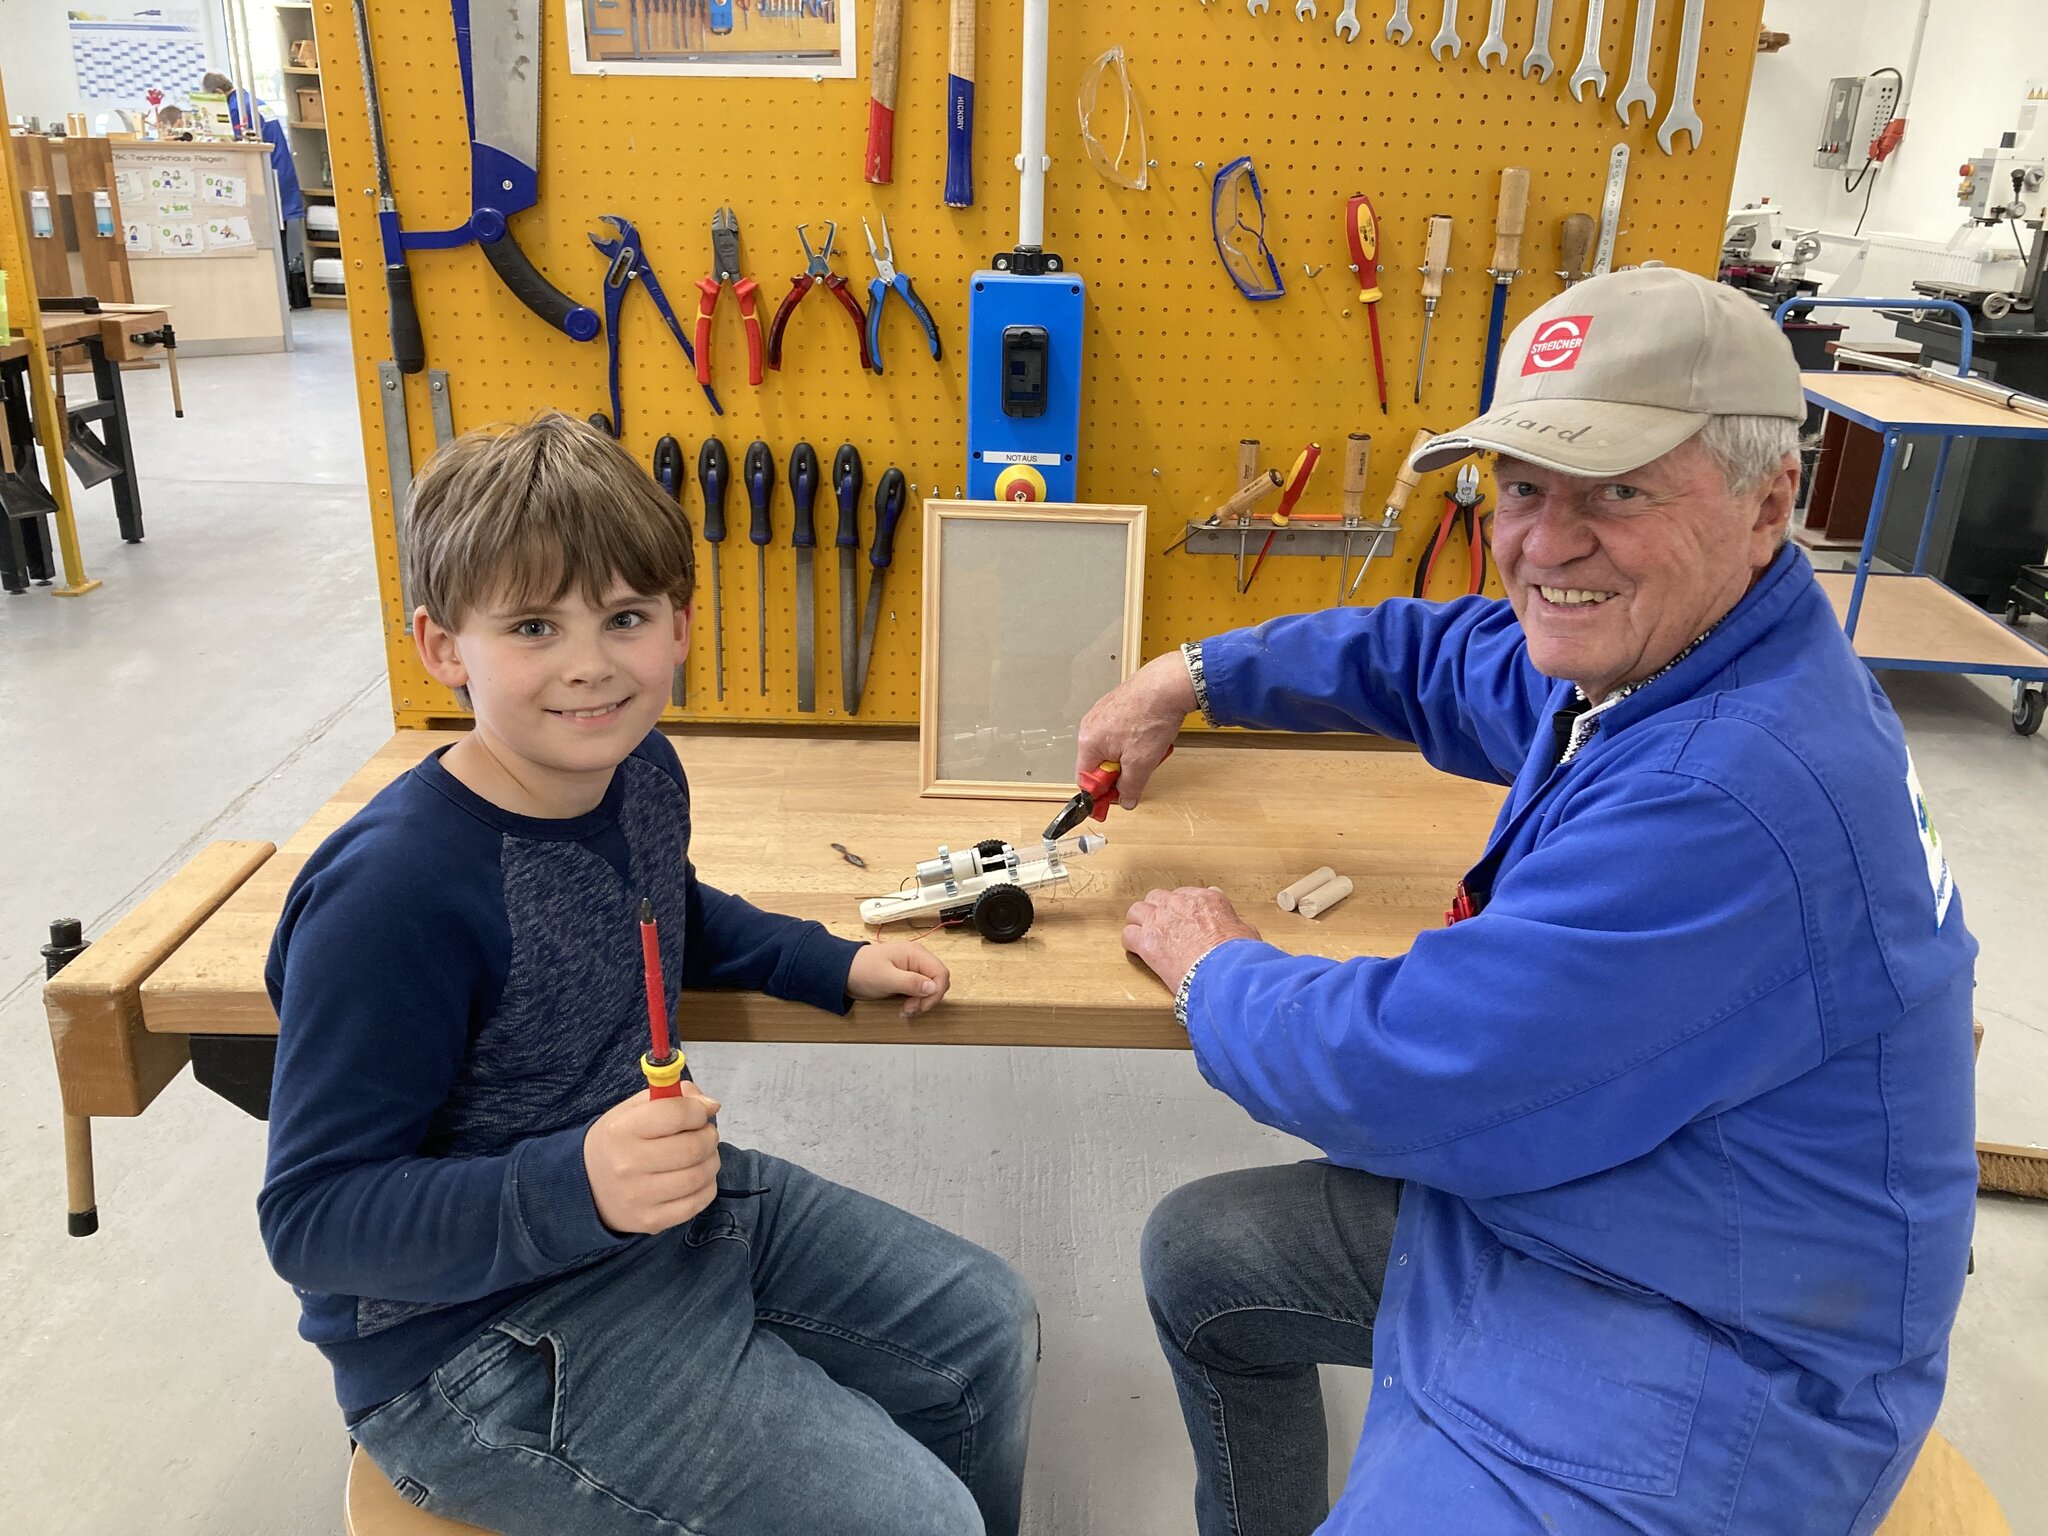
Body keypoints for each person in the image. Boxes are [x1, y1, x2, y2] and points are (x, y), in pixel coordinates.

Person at [1082, 268, 1978, 1535]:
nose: (1544, 545)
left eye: (1617, 491)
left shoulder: (1731, 794)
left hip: (1702, 1359)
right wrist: (1193, 673)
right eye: (1520, 488)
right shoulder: (1675, 653)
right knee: (1206, 1258)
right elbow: (1445, 659)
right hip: (1611, 1209)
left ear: (1766, 499)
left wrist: (1211, 964)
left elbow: (1397, 1073)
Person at [260, 413, 1037, 1536]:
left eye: (623, 617)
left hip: (650, 1220)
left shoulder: (635, 771)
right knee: (918, 1521)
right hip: (469, 1346)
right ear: (441, 647)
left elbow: (660, 911)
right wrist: (575, 1184)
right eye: (533, 625)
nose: (589, 664)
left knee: (984, 1325)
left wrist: (830, 962)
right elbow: (312, 1219)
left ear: (678, 626)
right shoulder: (397, 895)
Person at [201, 71, 307, 306]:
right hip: (279, 172)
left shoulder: (239, 108)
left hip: (267, 176)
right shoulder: (255, 102)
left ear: (218, 93)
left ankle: (277, 298)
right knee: (279, 237)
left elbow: (239, 146)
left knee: (269, 239)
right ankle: (284, 295)